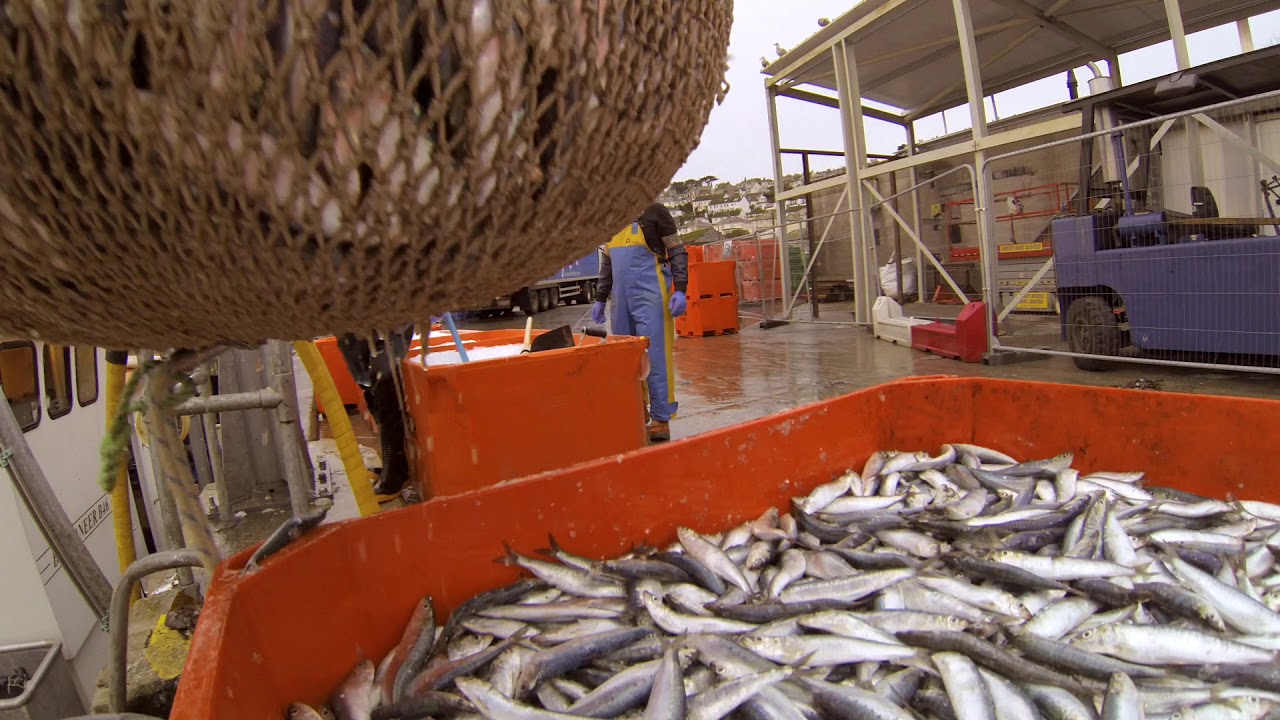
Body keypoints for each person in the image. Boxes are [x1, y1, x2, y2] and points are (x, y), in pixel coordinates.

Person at [592, 202, 688, 443]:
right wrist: (600, 298)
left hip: (651, 295)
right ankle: (638, 409)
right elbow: (607, 263)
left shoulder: (655, 212)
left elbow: (676, 250)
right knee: (627, 358)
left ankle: (660, 418)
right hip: (621, 299)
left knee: (655, 356)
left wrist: (681, 288)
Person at [337, 323, 414, 497]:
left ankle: (395, 469)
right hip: (353, 315)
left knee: (385, 383)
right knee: (366, 381)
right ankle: (398, 461)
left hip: (395, 312)